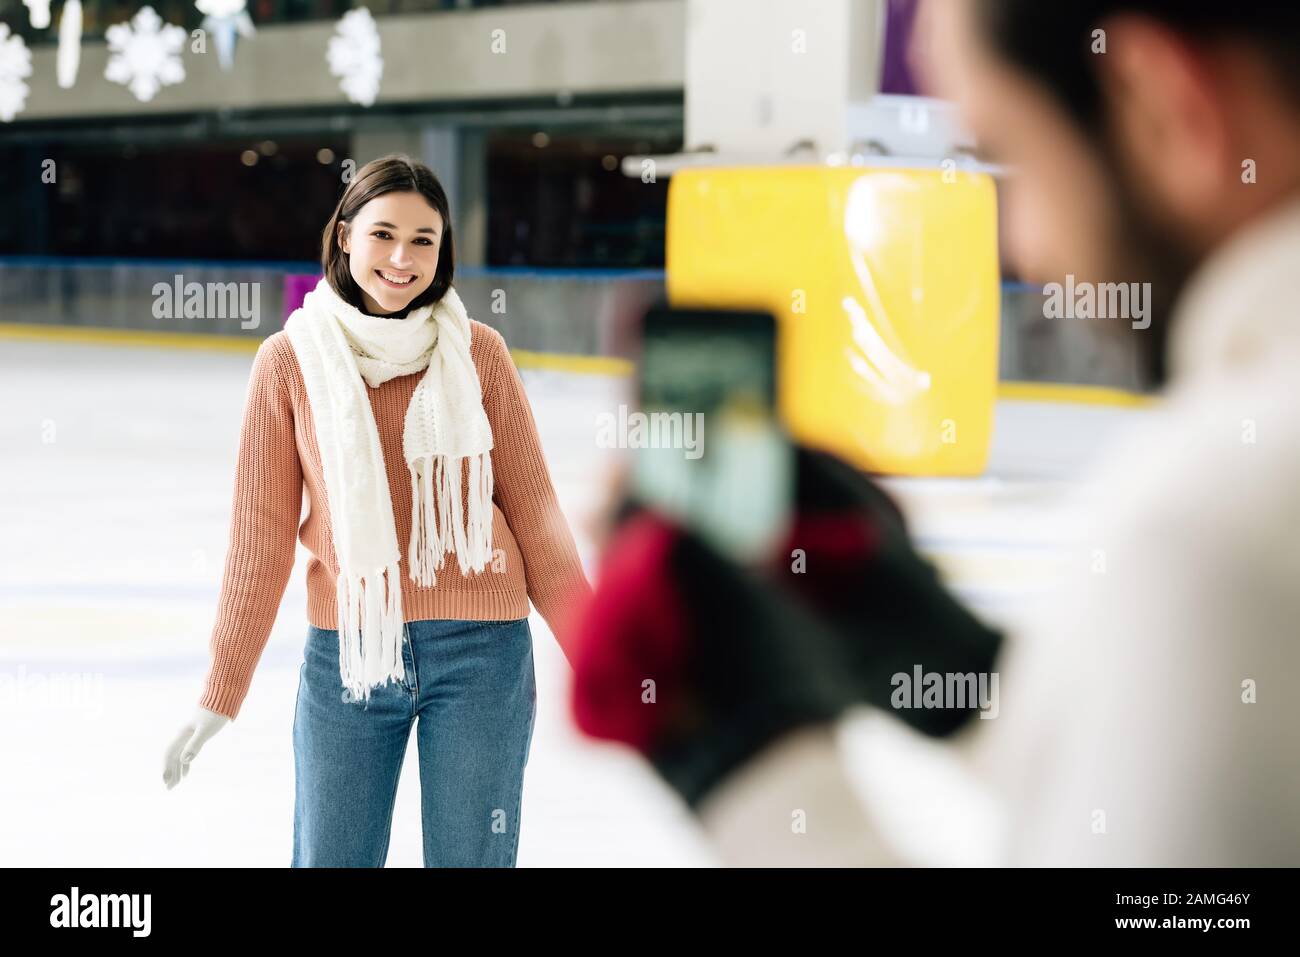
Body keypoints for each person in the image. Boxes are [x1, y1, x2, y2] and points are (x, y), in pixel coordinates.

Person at [571, 0, 1300, 865]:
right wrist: (972, 681)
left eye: (1014, 160)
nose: (1023, 249)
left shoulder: (1213, 521)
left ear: (1165, 105)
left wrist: (742, 759)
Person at [162, 155, 591, 868]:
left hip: (482, 651)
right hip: (350, 652)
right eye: (383, 233)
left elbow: (538, 514)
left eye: (424, 239)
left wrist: (608, 655)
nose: (402, 257)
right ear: (344, 237)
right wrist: (222, 688)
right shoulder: (289, 362)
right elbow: (260, 539)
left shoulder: (478, 354)